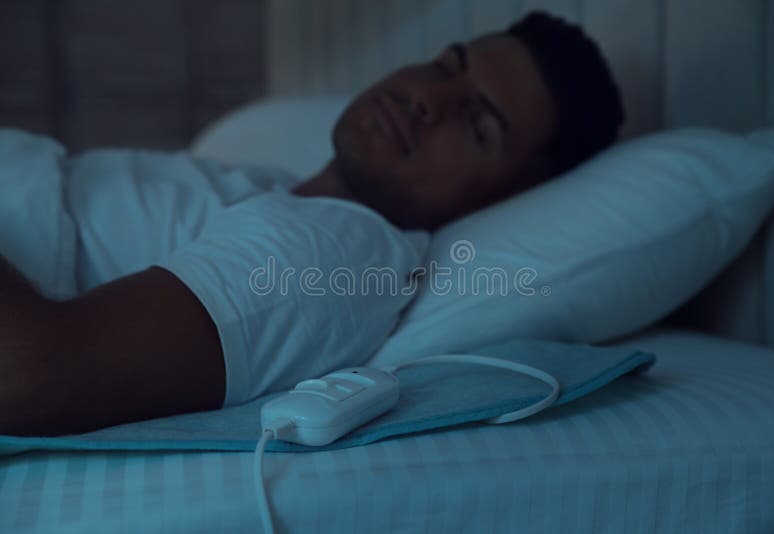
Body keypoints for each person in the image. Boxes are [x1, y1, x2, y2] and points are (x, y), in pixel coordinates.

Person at [0, 11, 623, 436]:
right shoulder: (268, 183)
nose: (426, 98)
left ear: (507, 198)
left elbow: (31, 376)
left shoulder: (336, 253)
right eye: (444, 66)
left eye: (477, 123)